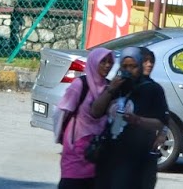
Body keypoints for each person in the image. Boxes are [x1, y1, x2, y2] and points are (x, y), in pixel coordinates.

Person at [90, 45, 170, 189]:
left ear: (139, 66)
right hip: (110, 158)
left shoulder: (152, 89)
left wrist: (137, 120)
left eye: (133, 66)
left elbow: (160, 122)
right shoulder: (115, 86)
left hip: (138, 160)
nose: (129, 70)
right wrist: (110, 90)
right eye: (125, 66)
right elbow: (95, 112)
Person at [53, 46, 112, 189]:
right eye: (103, 62)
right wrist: (62, 138)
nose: (107, 65)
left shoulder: (110, 87)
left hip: (98, 152)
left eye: (110, 62)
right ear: (93, 62)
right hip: (75, 150)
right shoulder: (80, 85)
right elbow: (61, 112)